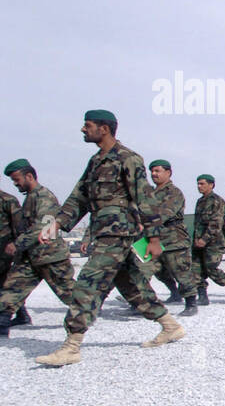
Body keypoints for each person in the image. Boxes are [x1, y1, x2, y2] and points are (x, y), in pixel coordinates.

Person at [33, 111, 185, 366]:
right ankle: (170, 325)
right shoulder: (95, 162)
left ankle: (71, 346)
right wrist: (56, 224)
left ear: (104, 129)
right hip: (104, 231)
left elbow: (144, 199)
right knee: (131, 283)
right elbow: (78, 197)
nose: (83, 129)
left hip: (119, 233)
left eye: (88, 125)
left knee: (87, 283)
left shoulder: (128, 158)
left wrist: (154, 239)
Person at [0, 159, 78, 335]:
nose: (15, 184)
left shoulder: (44, 197)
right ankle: (2, 325)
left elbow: (41, 228)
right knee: (11, 289)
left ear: (29, 176)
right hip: (30, 257)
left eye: (16, 179)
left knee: (70, 294)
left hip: (50, 257)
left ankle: (85, 317)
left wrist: (17, 244)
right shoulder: (30, 198)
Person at [147, 159, 200, 317]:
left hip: (173, 237)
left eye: (157, 171)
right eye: (152, 171)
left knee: (181, 271)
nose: (153, 174)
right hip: (151, 236)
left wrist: (144, 221)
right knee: (138, 268)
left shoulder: (174, 192)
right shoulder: (150, 193)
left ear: (168, 173)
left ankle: (191, 303)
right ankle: (141, 303)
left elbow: (164, 213)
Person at [191, 174, 225, 304]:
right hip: (198, 242)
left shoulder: (218, 201)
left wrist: (204, 239)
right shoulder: (200, 201)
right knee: (196, 269)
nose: (199, 186)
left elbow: (216, 224)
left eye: (202, 184)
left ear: (211, 185)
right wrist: (197, 240)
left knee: (211, 268)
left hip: (213, 242)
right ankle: (202, 296)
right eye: (198, 184)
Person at [0, 180, 30, 329]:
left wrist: (17, 245)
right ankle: (21, 314)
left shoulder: (8, 200)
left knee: (7, 283)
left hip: (5, 250)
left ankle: (17, 315)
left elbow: (20, 226)